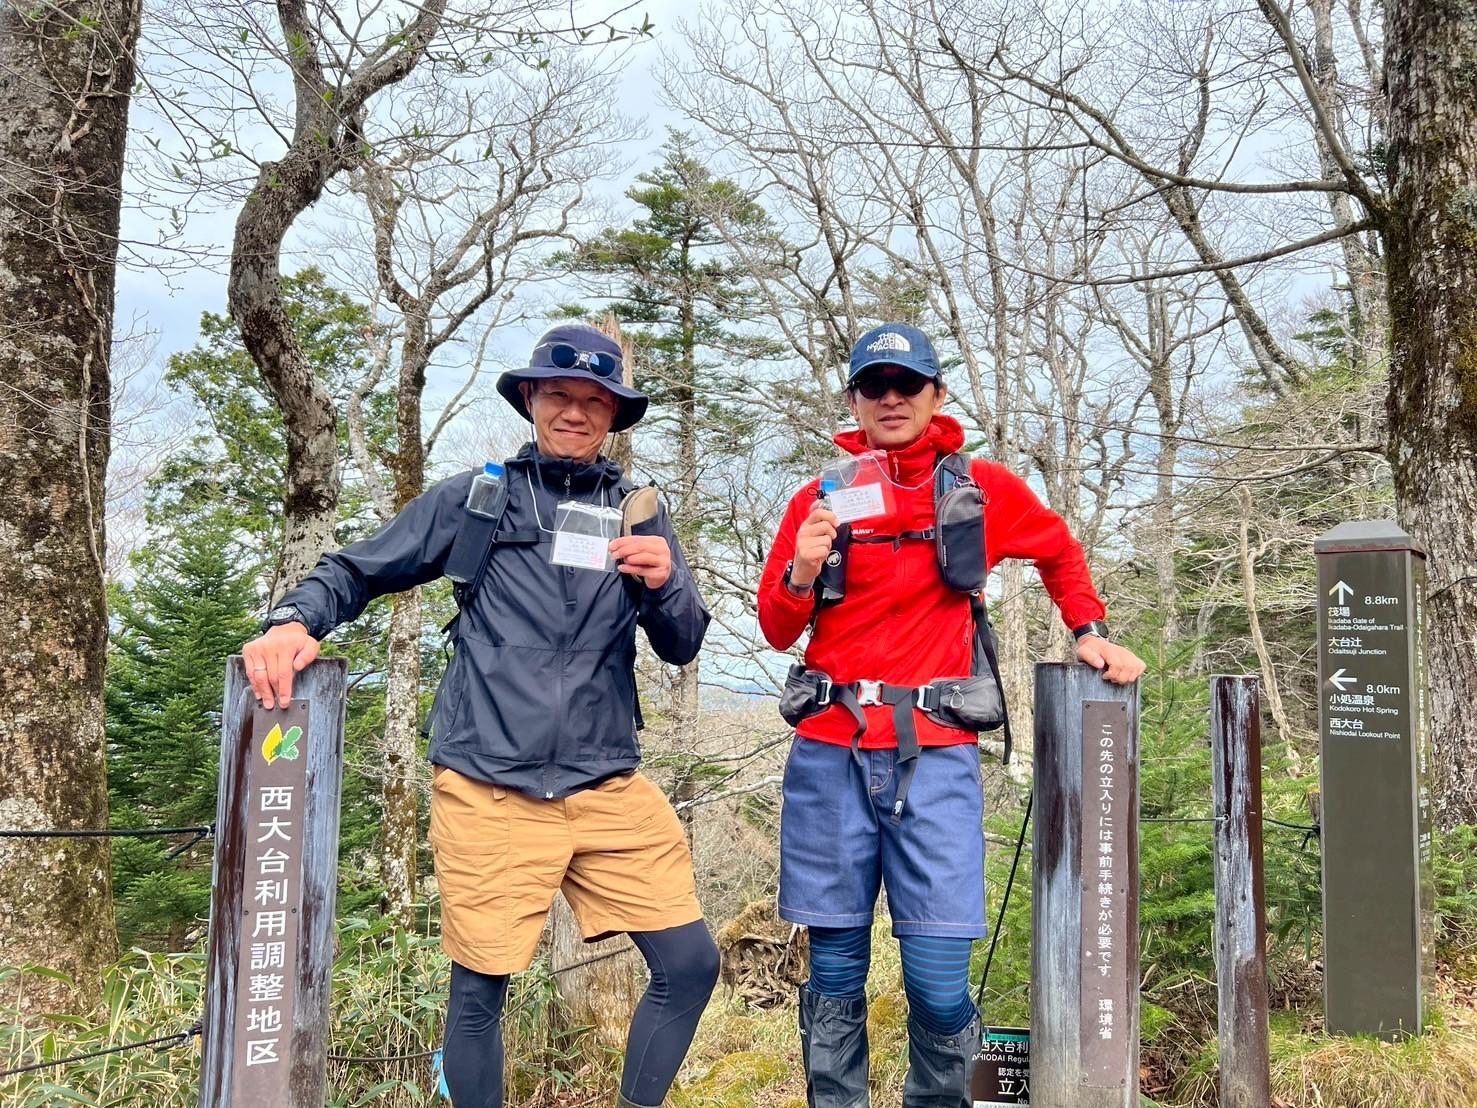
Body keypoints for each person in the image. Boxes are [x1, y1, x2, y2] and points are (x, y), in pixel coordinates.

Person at [242, 323, 719, 1108]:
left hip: (605, 781)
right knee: (480, 993)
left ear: (613, 415)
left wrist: (666, 582)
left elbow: (682, 642)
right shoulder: (477, 499)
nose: (575, 412)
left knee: (691, 963)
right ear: (531, 398)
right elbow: (357, 568)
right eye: (559, 395)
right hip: (488, 783)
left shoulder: (637, 513)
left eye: (594, 401)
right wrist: (293, 621)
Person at [758, 322, 1145, 1106]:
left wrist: (1089, 630)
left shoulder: (976, 488)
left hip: (933, 754)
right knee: (835, 967)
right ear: (854, 402)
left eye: (908, 383)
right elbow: (775, 628)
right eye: (875, 385)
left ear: (936, 394)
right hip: (829, 752)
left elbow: (1057, 550)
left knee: (937, 976)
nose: (891, 398)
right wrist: (802, 566)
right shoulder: (819, 496)